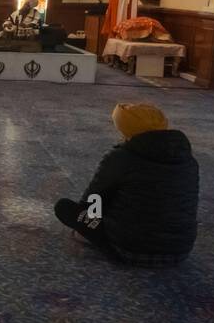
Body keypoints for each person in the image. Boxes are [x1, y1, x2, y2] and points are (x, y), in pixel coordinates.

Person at [53, 103, 199, 266]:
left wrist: (88, 221)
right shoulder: (188, 159)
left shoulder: (121, 158)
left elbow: (93, 201)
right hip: (179, 251)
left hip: (128, 250)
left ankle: (92, 237)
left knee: (64, 207)